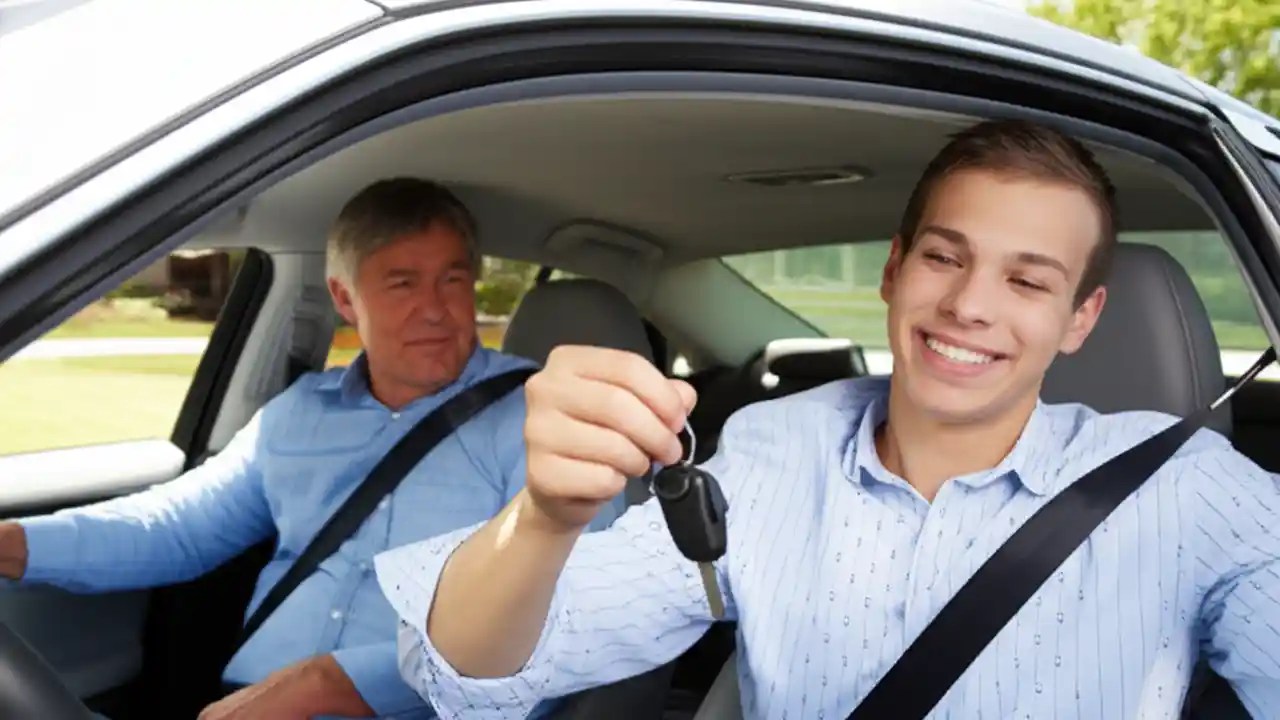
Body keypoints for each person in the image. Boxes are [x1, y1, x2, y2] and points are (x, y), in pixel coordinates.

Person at [373, 121, 1280, 718]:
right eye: (944, 257)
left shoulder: (1189, 489)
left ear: (1079, 318)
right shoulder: (771, 456)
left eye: (1028, 280)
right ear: (894, 270)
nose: (969, 304)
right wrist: (543, 519)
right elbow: (462, 669)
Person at [0, 178, 621, 719]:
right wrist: (12, 544)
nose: (434, 309)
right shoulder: (297, 416)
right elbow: (175, 528)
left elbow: (571, 630)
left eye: (452, 279)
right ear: (346, 299)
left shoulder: (545, 427)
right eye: (403, 284)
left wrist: (328, 684)